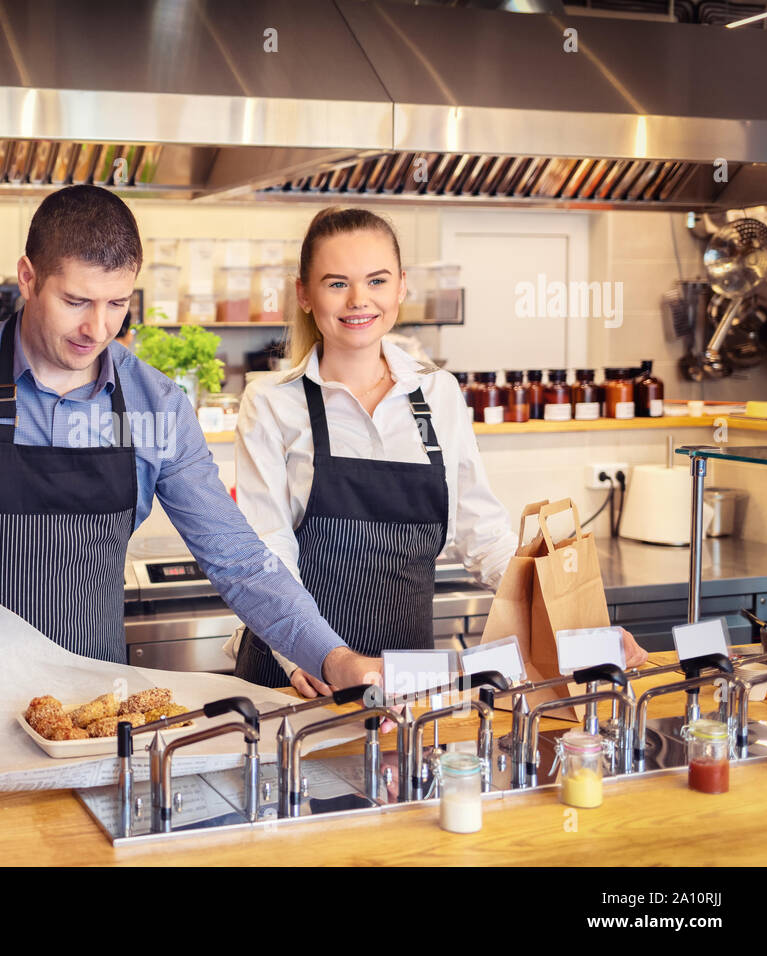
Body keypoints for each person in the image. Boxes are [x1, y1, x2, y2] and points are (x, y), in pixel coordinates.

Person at [0, 186, 380, 714]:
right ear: (28, 278)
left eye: (117, 304)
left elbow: (238, 560)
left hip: (94, 709)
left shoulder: (156, 405)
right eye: (76, 300)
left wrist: (333, 658)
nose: (97, 329)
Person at [230, 206, 648, 697]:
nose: (359, 300)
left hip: (406, 681)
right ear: (304, 293)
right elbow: (266, 551)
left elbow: (484, 537)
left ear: (402, 287)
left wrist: (576, 625)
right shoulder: (272, 402)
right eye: (337, 283)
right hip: (298, 679)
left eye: (378, 281)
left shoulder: (438, 394)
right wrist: (304, 652)